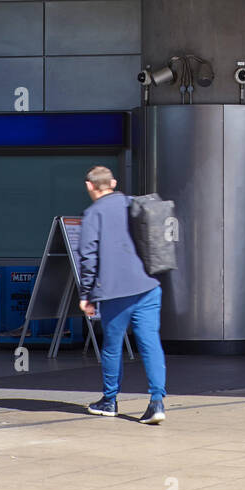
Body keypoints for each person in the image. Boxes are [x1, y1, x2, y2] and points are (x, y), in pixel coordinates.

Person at [78, 166, 168, 423]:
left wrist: (86, 294)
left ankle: (109, 400)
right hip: (149, 286)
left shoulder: (93, 213)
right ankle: (157, 403)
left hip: (115, 291)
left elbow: (88, 257)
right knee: (151, 344)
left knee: (112, 347)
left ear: (89, 186)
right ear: (113, 183)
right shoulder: (134, 204)